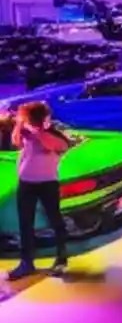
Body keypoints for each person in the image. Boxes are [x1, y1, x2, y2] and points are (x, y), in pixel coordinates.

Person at [7, 102, 71, 279]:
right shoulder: (27, 133)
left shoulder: (54, 135)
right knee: (25, 224)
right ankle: (26, 263)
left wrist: (36, 131)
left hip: (47, 184)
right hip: (26, 184)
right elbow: (15, 141)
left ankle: (61, 259)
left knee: (55, 220)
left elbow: (57, 146)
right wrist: (20, 125)